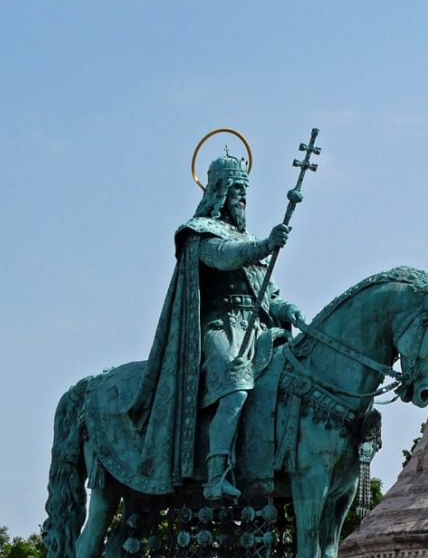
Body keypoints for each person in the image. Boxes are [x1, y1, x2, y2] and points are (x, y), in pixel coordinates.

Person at [127, 152, 303, 498]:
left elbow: (266, 296)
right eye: (236, 189)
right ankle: (217, 474)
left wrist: (288, 308)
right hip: (219, 326)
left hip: (255, 328)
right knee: (236, 385)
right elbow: (225, 257)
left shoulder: (247, 238)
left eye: (245, 191)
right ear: (218, 190)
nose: (242, 197)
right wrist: (265, 245)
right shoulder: (199, 233)